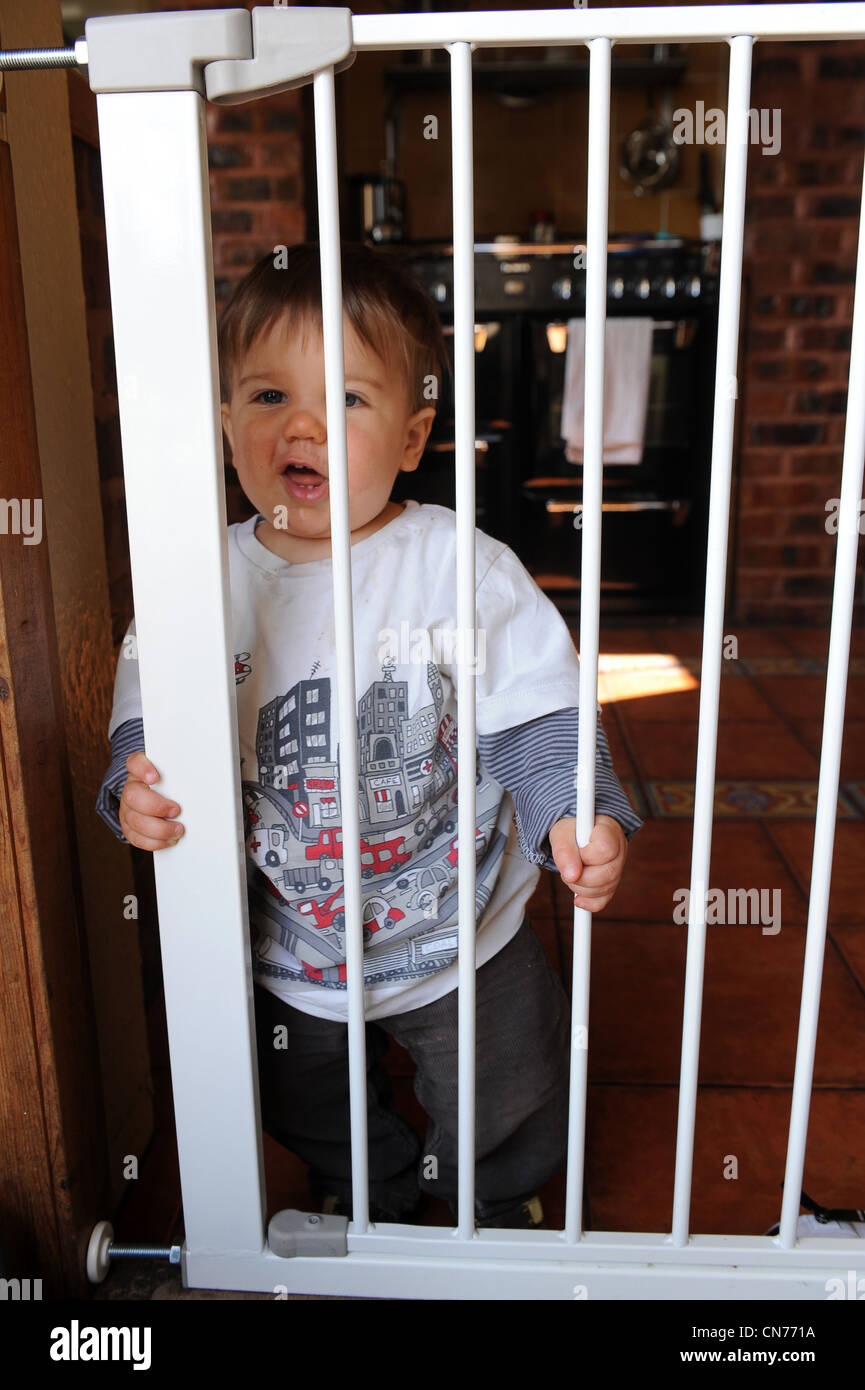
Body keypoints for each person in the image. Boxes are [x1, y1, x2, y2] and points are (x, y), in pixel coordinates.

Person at [95, 242, 642, 1230]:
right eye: (266, 397)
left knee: (512, 1084)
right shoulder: (202, 575)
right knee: (289, 1091)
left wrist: (569, 809)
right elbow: (149, 695)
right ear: (225, 425)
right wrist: (134, 772)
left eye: (345, 398)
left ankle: (486, 1189)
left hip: (463, 927)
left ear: (410, 433)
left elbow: (537, 703)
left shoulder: (455, 567)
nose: (300, 424)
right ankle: (372, 1176)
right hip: (289, 941)